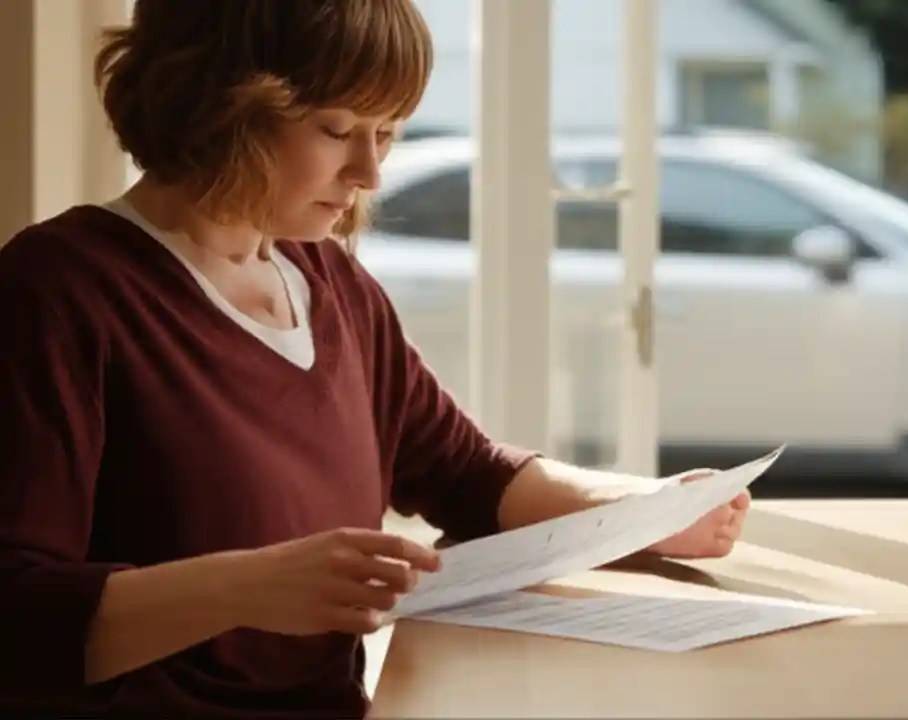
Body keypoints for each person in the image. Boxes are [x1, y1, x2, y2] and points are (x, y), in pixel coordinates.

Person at [0, 1, 750, 716]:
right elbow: (16, 613)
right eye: (336, 129)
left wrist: (643, 510)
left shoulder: (332, 287)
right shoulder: (58, 292)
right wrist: (243, 588)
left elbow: (467, 473)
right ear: (219, 107)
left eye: (386, 134)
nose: (369, 173)